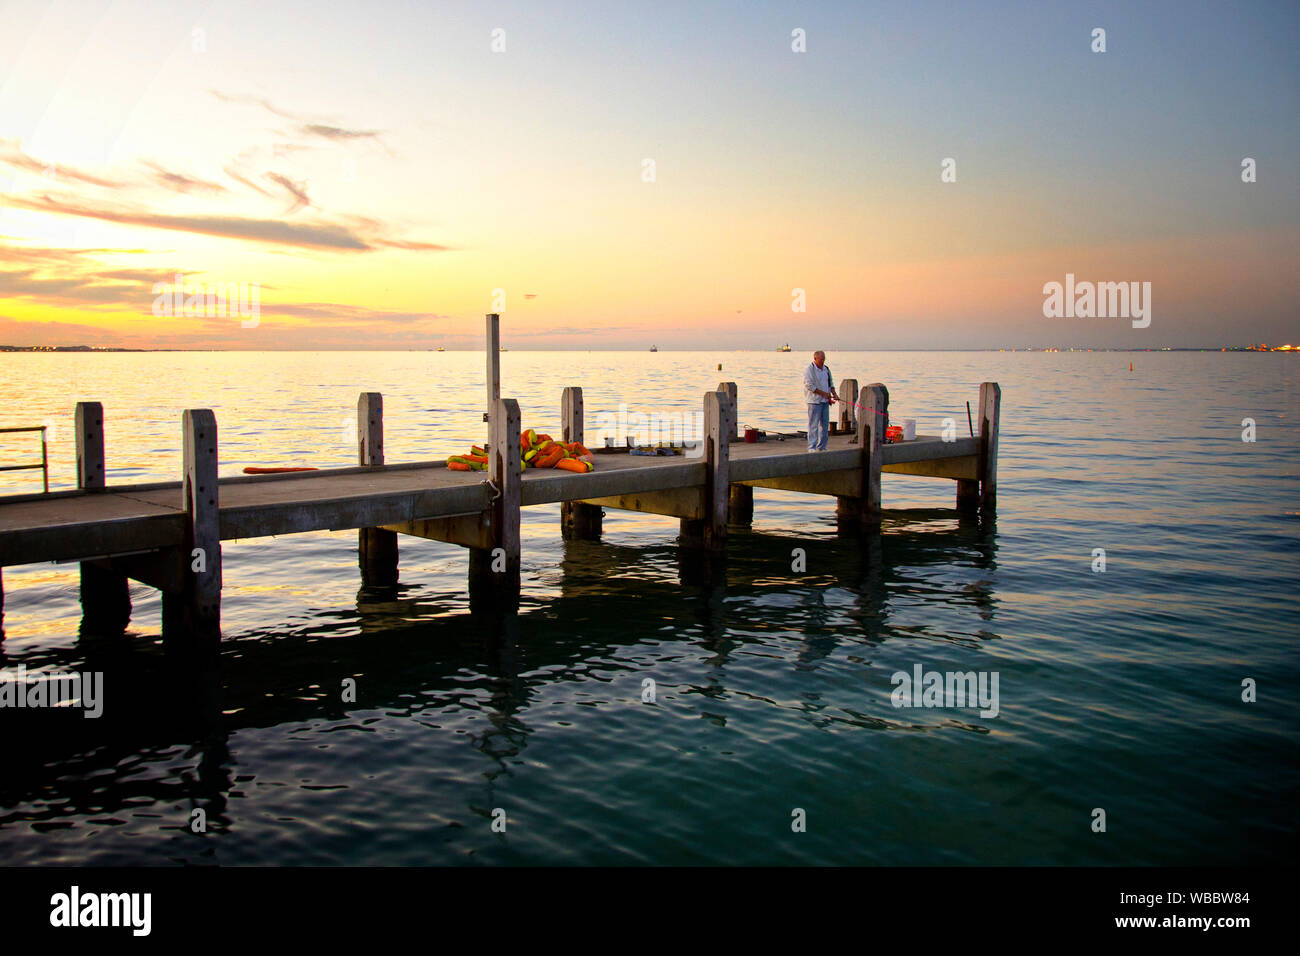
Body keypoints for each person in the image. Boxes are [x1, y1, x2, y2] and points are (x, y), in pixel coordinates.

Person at [803, 350, 839, 451]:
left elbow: (830, 383)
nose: (823, 361)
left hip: (825, 401)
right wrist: (823, 394)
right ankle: (812, 447)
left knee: (825, 424)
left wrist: (834, 394)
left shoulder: (826, 369)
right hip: (814, 401)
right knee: (813, 425)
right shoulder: (809, 369)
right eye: (821, 359)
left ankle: (822, 446)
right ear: (815, 359)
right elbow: (809, 385)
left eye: (824, 359)